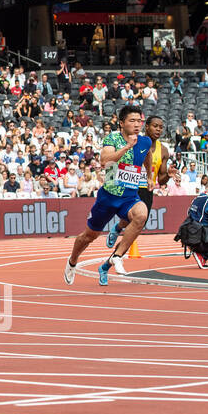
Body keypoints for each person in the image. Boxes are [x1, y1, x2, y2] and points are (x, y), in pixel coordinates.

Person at [63, 106, 154, 287]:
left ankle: (117, 257)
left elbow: (147, 155)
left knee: (142, 215)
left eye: (139, 121)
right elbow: (105, 161)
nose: (137, 125)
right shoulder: (112, 138)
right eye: (132, 121)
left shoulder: (145, 141)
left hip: (129, 197)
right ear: (121, 123)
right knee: (89, 236)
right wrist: (128, 146)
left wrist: (150, 176)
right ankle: (72, 261)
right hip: (109, 196)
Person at [110, 114, 179, 257]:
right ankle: (117, 254)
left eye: (161, 127)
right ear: (146, 127)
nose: (158, 130)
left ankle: (118, 234)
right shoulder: (135, 142)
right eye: (155, 126)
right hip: (131, 186)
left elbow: (161, 180)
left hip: (147, 189)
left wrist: (169, 175)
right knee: (134, 219)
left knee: (138, 224)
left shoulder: (164, 150)